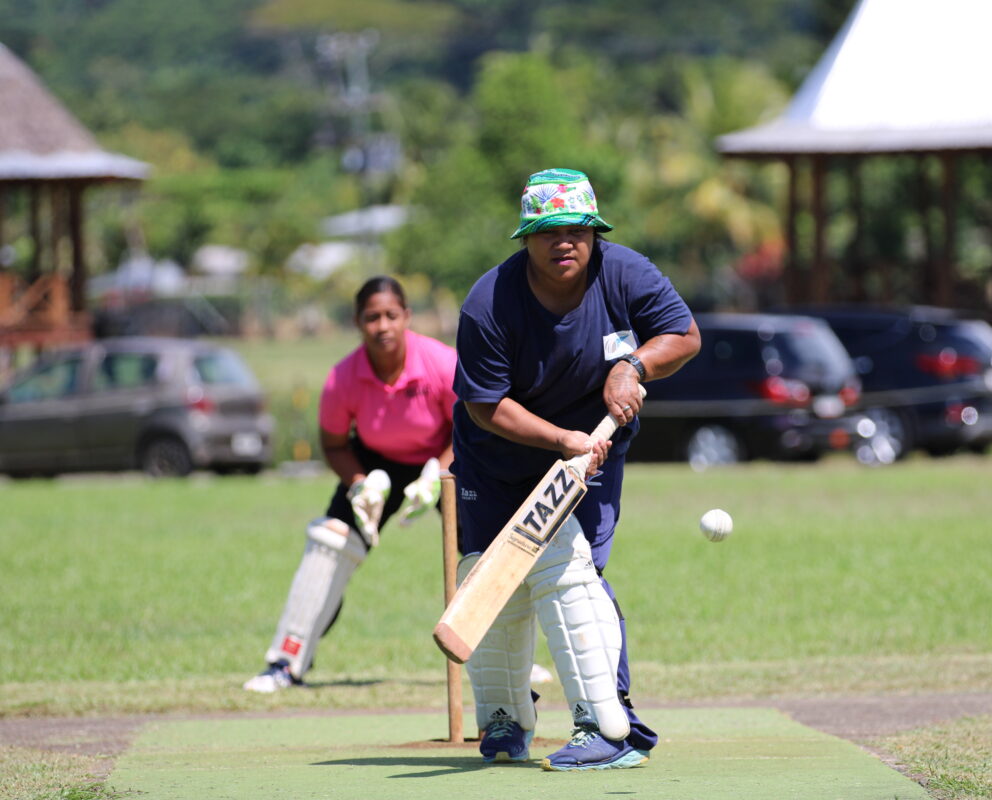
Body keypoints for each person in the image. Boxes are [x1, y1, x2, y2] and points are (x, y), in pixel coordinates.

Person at [451, 168, 701, 770]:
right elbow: (485, 406)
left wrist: (633, 367)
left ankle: (609, 725)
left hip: (592, 453)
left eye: (576, 230)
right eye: (547, 232)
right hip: (500, 456)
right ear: (525, 238)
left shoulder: (624, 273)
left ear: (594, 233)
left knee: (574, 575)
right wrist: (559, 437)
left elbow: (684, 335)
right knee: (490, 578)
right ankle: (505, 718)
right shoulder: (489, 302)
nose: (563, 242)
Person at [244, 275, 457, 692]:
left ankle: (512, 666)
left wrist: (439, 473)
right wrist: (360, 485)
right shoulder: (342, 378)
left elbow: (471, 429)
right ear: (358, 322)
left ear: (407, 317)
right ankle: (286, 664)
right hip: (373, 462)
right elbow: (334, 444)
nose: (383, 326)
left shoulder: (441, 362)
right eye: (372, 317)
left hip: (444, 459)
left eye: (391, 315)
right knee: (330, 541)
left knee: (484, 547)